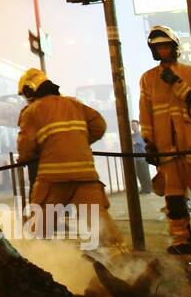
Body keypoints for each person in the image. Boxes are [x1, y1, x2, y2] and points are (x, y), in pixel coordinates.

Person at [138, 23, 191, 256]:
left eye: (166, 46)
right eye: (158, 47)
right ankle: (181, 241)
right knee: (174, 202)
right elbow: (146, 113)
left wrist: (176, 83)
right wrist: (149, 141)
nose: (162, 51)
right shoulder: (147, 79)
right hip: (168, 152)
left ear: (173, 47)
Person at [16, 68, 122, 248]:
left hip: (53, 178)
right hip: (86, 175)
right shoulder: (75, 105)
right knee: (100, 225)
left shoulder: (31, 111)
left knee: (39, 228)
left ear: (30, 90)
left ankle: (36, 266)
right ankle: (124, 265)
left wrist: (27, 158)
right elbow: (99, 125)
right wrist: (77, 141)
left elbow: (26, 148)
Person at [129, 119, 152, 196]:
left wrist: (135, 143)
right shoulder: (131, 136)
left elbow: (144, 144)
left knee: (145, 174)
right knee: (139, 174)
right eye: (132, 125)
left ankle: (148, 189)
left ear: (138, 126)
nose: (133, 126)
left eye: (134, 125)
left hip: (143, 158)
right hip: (135, 159)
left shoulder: (142, 134)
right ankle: (143, 188)